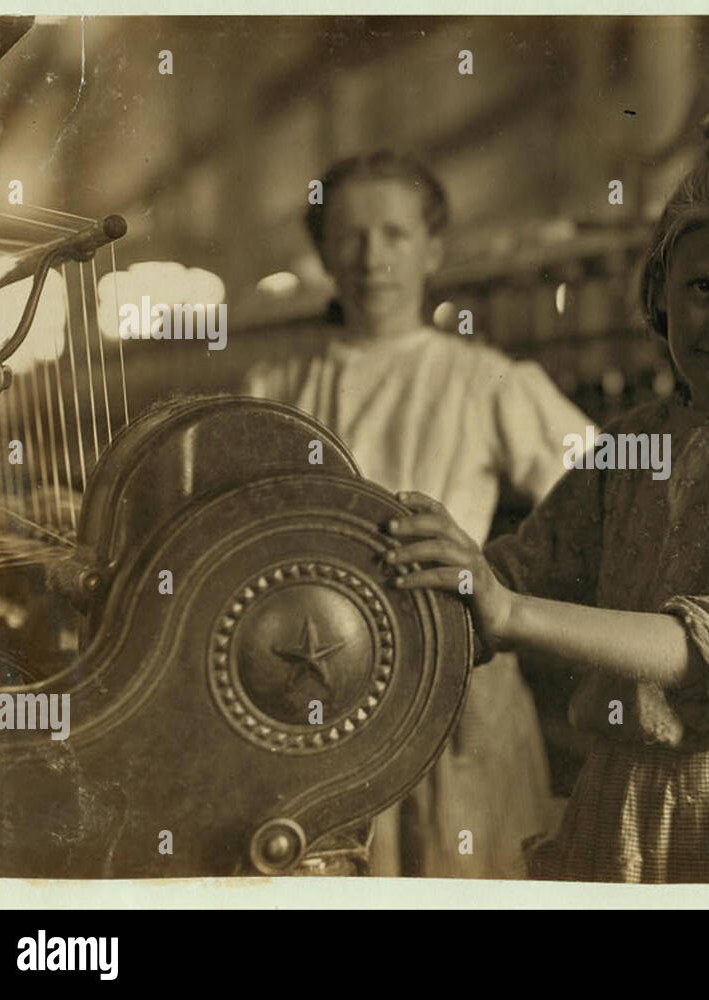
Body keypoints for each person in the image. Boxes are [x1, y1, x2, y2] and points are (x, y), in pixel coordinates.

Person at [378, 101, 709, 883]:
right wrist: (429, 574)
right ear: (662, 294)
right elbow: (523, 571)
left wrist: (510, 611)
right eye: (705, 286)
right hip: (622, 808)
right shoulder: (636, 441)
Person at [243, 150, 586, 877]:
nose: (373, 257)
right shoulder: (276, 388)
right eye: (350, 236)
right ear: (324, 254)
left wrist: (497, 578)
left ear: (433, 249)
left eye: (395, 235)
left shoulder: (484, 379)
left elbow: (604, 499)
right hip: (316, 686)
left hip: (456, 685)